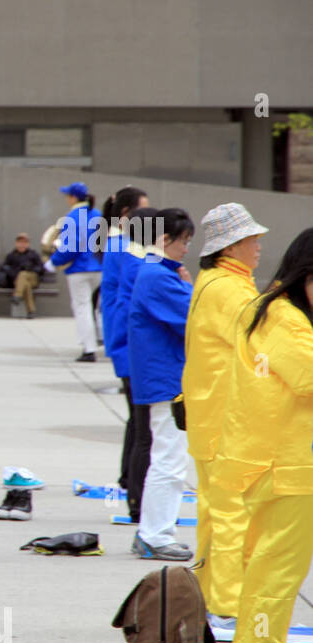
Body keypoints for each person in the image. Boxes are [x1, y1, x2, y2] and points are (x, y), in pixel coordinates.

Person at [209, 228, 313, 643]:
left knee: (271, 566)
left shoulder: (272, 310)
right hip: (286, 467)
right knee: (276, 571)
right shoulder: (283, 318)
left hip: (277, 462)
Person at [183, 204, 266, 630]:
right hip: (227, 419)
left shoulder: (212, 283)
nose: (258, 246)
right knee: (232, 515)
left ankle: (211, 597)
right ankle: (227, 606)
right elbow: (265, 342)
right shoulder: (232, 291)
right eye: (252, 239)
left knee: (216, 512)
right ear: (231, 246)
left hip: (208, 417)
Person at [126, 207, 195, 561]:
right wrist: (189, 286)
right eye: (184, 241)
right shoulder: (158, 277)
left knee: (167, 457)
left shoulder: (156, 273)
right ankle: (155, 534)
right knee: (169, 459)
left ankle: (154, 532)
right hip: (166, 380)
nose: (187, 249)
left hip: (162, 378)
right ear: (165, 239)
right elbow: (196, 319)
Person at [98, 187, 150, 500]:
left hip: (123, 341)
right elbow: (135, 297)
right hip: (130, 343)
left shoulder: (119, 244)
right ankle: (134, 488)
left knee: (136, 419)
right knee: (141, 423)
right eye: (145, 211)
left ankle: (128, 479)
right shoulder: (126, 248)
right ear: (128, 215)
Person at [118, 205, 159, 522]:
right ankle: (137, 501)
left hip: (134, 354)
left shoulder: (136, 259)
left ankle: (135, 495)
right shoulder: (140, 263)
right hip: (139, 356)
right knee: (144, 433)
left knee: (138, 429)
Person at [44, 182, 103, 361]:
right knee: (99, 308)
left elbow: (70, 247)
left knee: (82, 307)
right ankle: (102, 337)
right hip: (100, 268)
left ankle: (88, 349)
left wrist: (52, 262)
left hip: (79, 270)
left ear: (73, 198)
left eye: (67, 196)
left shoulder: (72, 217)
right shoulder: (99, 215)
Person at [1, 232, 45, 319]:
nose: (22, 245)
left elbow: (41, 268)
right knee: (25, 284)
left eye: (24, 242)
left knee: (23, 274)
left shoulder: (33, 254)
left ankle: (17, 295)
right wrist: (15, 273)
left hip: (32, 279)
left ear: (28, 244)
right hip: (18, 281)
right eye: (20, 242)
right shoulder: (11, 256)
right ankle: (31, 311)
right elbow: (5, 268)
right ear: (16, 243)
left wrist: (30, 269)